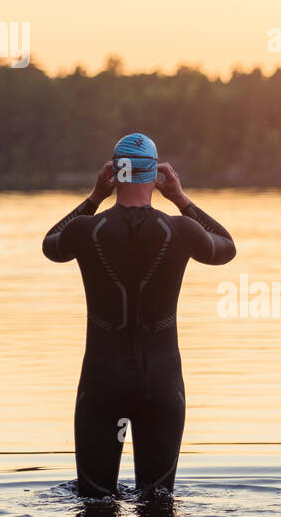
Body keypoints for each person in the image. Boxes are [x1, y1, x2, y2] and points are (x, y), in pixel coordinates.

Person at [42, 132, 235, 498]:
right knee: (158, 507)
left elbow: (51, 244)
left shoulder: (87, 230)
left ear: (113, 174)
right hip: (161, 385)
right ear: (156, 175)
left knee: (94, 507)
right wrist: (181, 200)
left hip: (102, 384)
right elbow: (226, 248)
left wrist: (95, 197)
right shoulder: (180, 230)